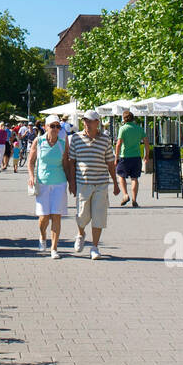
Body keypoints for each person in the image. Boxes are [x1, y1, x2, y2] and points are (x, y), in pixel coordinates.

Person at [65, 109, 119, 260]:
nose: (87, 124)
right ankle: (81, 233)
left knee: (99, 216)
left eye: (90, 121)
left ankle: (95, 247)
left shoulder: (105, 140)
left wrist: (115, 183)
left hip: (101, 183)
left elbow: (110, 162)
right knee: (82, 215)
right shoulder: (76, 138)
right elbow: (71, 162)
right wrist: (72, 182)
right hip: (83, 183)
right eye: (85, 121)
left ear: (97, 123)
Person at [27, 115, 69, 258]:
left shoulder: (63, 143)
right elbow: (31, 162)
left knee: (56, 215)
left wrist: (71, 183)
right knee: (44, 217)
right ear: (46, 127)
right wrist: (32, 176)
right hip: (43, 183)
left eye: (58, 126)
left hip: (59, 182)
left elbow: (66, 164)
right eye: (53, 126)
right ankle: (42, 236)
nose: (56, 129)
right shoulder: (38, 141)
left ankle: (54, 248)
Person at [115, 110, 145, 206]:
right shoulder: (139, 129)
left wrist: (116, 157)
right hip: (136, 156)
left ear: (124, 119)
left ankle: (125, 195)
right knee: (134, 178)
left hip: (125, 157)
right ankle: (134, 199)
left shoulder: (123, 129)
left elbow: (119, 144)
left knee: (121, 176)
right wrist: (147, 154)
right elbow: (146, 142)